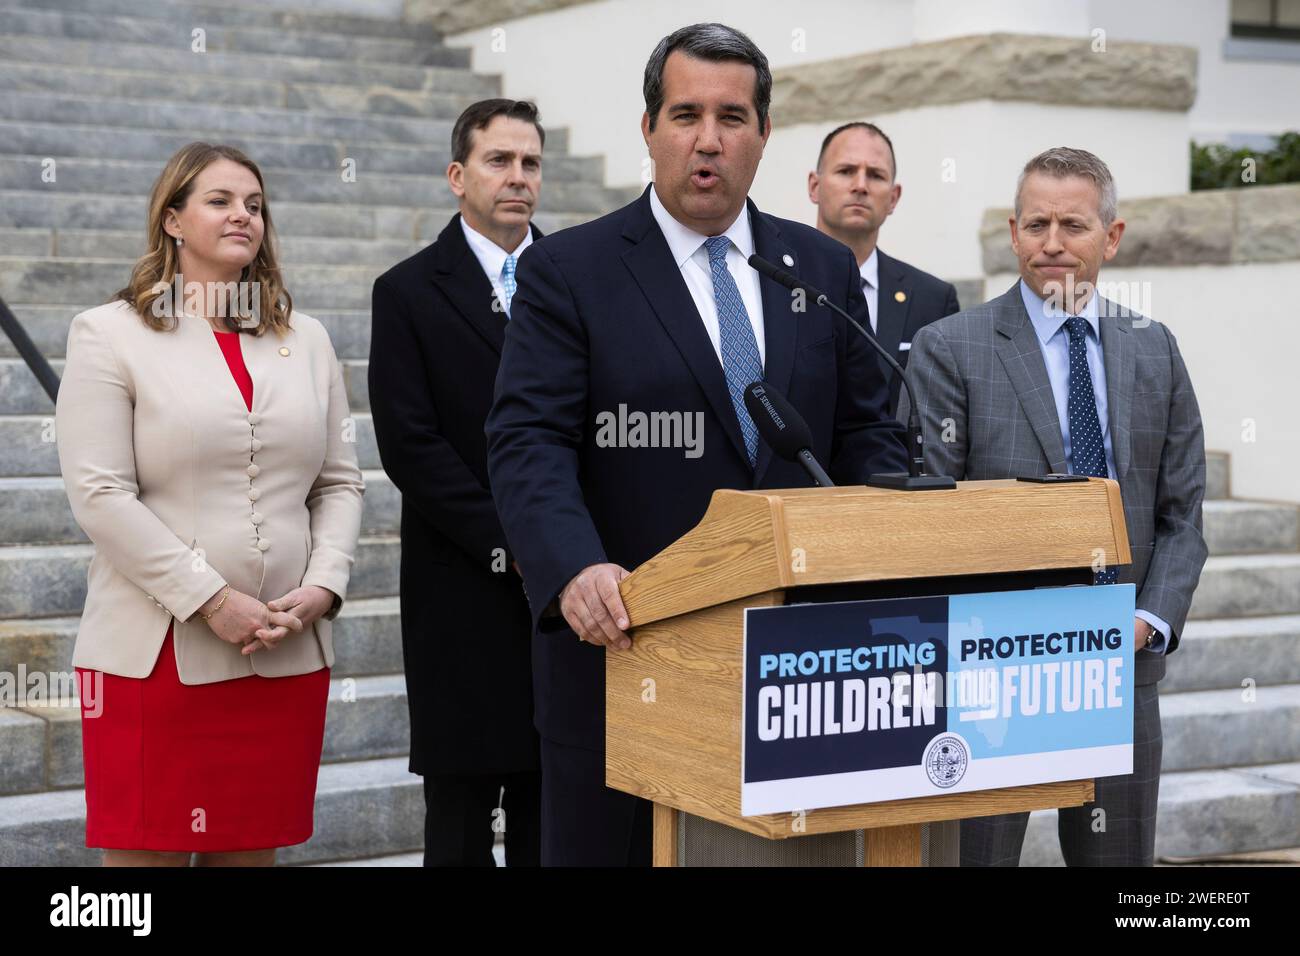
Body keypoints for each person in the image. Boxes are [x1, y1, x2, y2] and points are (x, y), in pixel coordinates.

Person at [485, 22, 907, 866]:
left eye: (732, 116)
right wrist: (574, 566)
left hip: (801, 665)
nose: (707, 140)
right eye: (684, 115)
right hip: (626, 652)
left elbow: (867, 431)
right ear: (648, 130)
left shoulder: (818, 269)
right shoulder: (573, 268)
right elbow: (527, 438)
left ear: (763, 134)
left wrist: (884, 545)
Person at [55, 142, 364, 867]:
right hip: (154, 659)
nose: (243, 217)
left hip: (283, 652)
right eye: (220, 201)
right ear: (171, 220)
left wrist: (324, 585)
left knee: (251, 856)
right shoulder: (109, 334)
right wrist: (210, 599)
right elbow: (100, 494)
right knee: (144, 867)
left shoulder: (308, 340)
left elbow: (340, 482)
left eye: (254, 205)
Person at [900, 146, 1207, 866]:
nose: (1053, 243)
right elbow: (932, 518)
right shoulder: (951, 347)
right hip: (992, 672)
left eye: (1073, 224)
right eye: (1036, 223)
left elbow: (1183, 512)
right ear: (1012, 234)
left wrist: (1143, 622)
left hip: (1121, 665)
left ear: (1112, 236)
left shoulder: (1155, 349)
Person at [369, 100, 544, 867]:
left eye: (531, 163)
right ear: (457, 176)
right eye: (499, 161)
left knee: (554, 807)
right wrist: (516, 539)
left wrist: (561, 544)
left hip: (563, 593)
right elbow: (411, 445)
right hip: (462, 586)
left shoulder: (579, 278)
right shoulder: (408, 291)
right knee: (463, 818)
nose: (517, 178)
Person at [808, 121, 960, 416]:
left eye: (876, 175)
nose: (861, 186)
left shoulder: (933, 300)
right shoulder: (772, 281)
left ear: (893, 197)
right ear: (814, 186)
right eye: (846, 171)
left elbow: (944, 415)